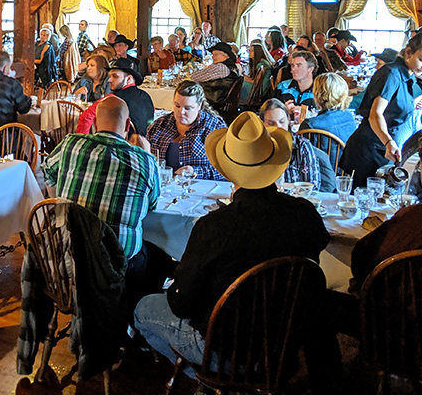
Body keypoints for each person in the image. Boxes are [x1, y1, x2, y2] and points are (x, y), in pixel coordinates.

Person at [134, 110, 329, 375]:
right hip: (284, 344)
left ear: (229, 171)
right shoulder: (305, 213)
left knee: (142, 309)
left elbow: (182, 305)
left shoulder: (214, 226)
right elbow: (320, 245)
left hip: (226, 349)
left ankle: (206, 381)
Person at [43, 94, 170, 310]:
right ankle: (131, 316)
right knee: (160, 258)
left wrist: (62, 203)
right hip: (116, 263)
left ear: (94, 122)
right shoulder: (144, 160)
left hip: (66, 253)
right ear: (127, 125)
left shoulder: (69, 144)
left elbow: (47, 173)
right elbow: (152, 205)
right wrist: (147, 154)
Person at [341, 33, 422, 187]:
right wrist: (388, 142)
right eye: (421, 60)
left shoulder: (409, 76)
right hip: (369, 149)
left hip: (384, 147)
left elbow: (395, 108)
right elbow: (375, 115)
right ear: (408, 53)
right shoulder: (391, 74)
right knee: (363, 196)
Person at [147, 81, 226, 180]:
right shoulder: (159, 126)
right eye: (177, 106)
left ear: (199, 106)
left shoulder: (214, 128)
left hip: (201, 186)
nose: (181, 112)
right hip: (166, 186)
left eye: (188, 108)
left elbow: (227, 170)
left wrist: (195, 172)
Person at [260, 98, 335, 190]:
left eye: (282, 121)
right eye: (271, 123)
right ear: (262, 124)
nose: (278, 127)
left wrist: (281, 186)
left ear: (288, 120)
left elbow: (312, 186)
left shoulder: (302, 146)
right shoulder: (258, 148)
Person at [76, 58, 155, 136]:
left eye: (115, 76)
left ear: (128, 79)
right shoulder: (146, 96)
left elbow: (85, 117)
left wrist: (81, 140)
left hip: (119, 143)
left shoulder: (112, 99)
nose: (109, 80)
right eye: (110, 76)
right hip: (144, 142)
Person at [298, 72, 357, 146]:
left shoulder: (310, 125)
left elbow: (302, 151)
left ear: (318, 94)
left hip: (322, 154)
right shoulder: (349, 115)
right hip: (347, 154)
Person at [183, 41, 238, 111]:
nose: (213, 57)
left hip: (213, 104)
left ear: (226, 56)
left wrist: (189, 74)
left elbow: (194, 77)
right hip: (219, 102)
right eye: (212, 54)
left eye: (216, 54)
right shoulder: (230, 66)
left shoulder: (220, 67)